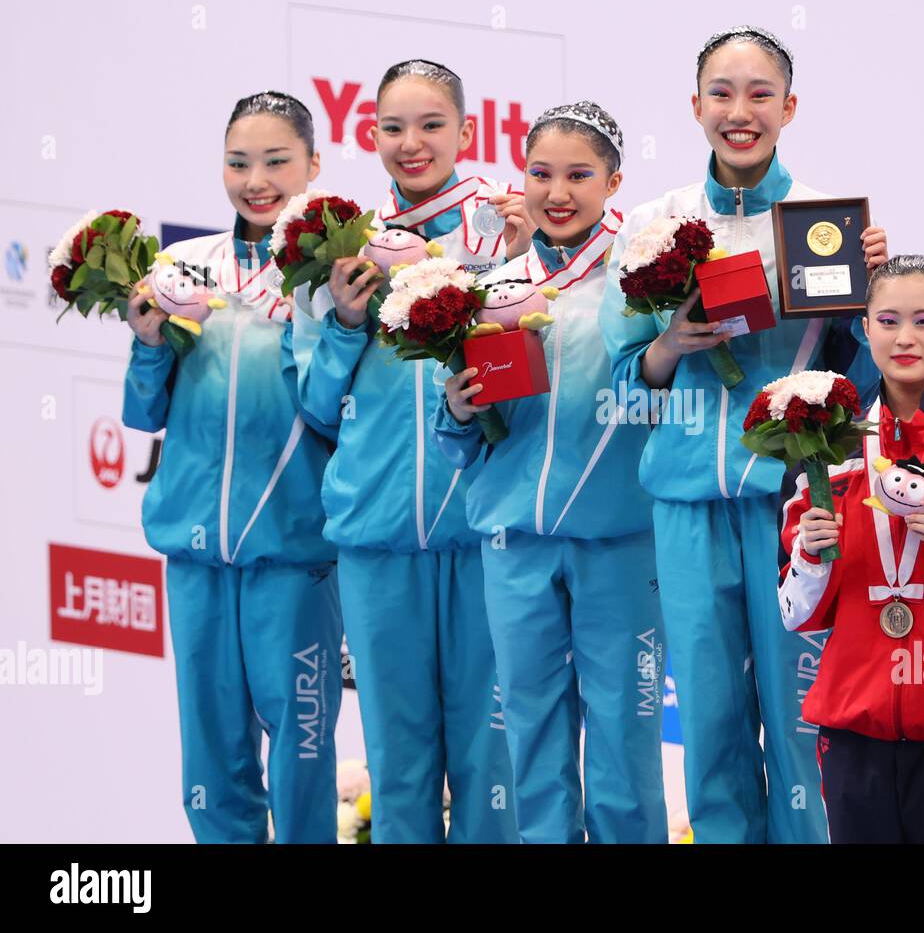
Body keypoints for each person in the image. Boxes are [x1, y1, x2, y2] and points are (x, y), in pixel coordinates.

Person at [598, 25, 888, 843]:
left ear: (789, 107)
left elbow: (861, 394)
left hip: (795, 504)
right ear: (694, 107)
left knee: (802, 725)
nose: (740, 111)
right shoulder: (655, 227)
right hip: (686, 506)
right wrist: (668, 346)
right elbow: (624, 388)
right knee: (713, 729)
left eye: (760, 94)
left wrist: (867, 313)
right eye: (722, 93)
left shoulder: (824, 227)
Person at [290, 59, 530, 843]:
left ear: (467, 131)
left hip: (480, 528)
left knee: (488, 763)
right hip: (376, 537)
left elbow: (534, 382)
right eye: (393, 127)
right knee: (398, 766)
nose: (412, 143)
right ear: (371, 134)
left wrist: (512, 269)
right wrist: (347, 324)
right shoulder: (341, 245)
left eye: (432, 125)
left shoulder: (504, 231)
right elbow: (317, 409)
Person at [435, 101, 667, 843]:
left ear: (614, 182)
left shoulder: (643, 284)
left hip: (621, 546)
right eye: (541, 173)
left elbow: (670, 399)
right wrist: (458, 410)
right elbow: (458, 445)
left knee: (625, 748)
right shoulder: (489, 290)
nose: (557, 192)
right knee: (530, 744)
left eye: (579, 175)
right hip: (512, 548)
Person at [122, 91, 342, 843]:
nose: (257, 179)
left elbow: (332, 409)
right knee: (211, 771)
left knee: (303, 766)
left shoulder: (333, 281)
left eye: (278, 161)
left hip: (294, 556)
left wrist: (325, 321)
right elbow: (146, 414)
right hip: (195, 556)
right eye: (239, 161)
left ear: (314, 165)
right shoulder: (184, 267)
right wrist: (149, 344)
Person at [778, 254, 924, 842]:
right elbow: (797, 616)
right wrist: (809, 555)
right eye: (887, 321)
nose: (905, 338)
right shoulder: (823, 448)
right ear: (863, 328)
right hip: (855, 723)